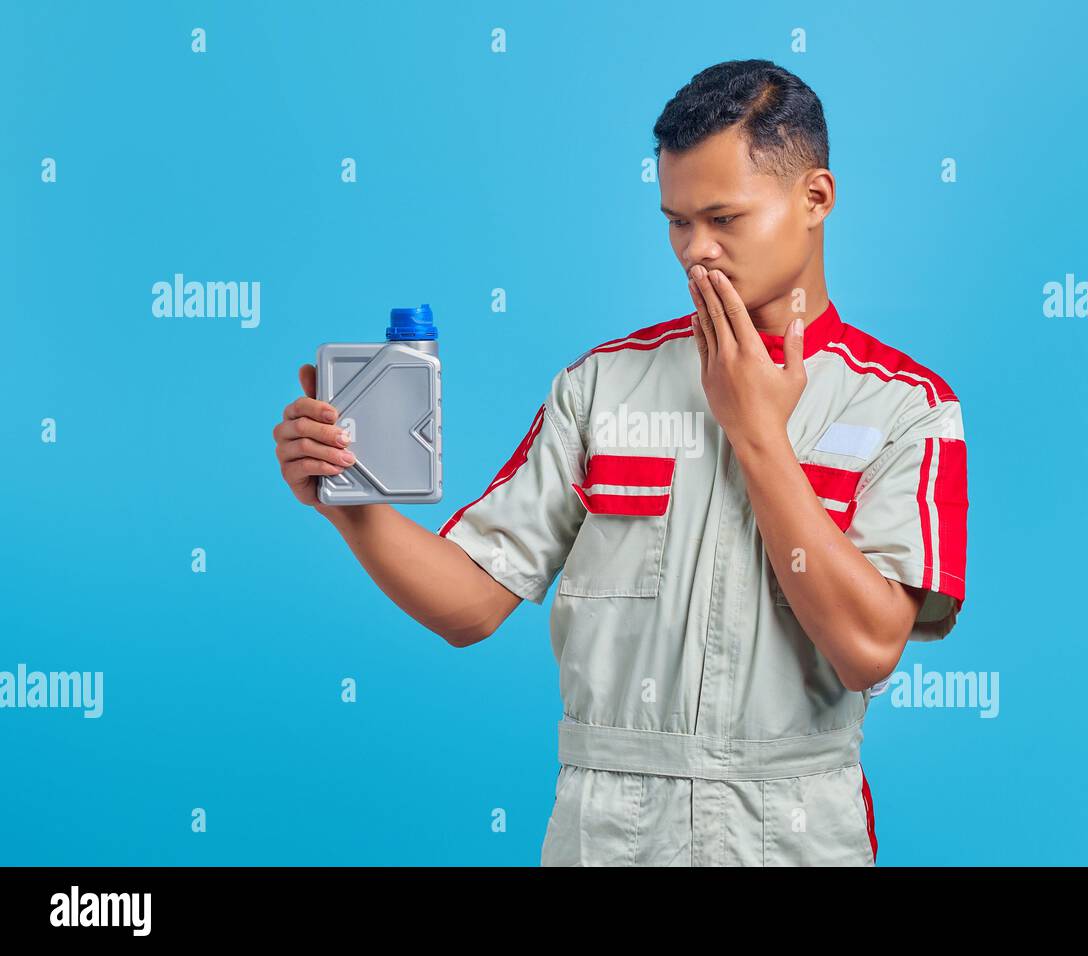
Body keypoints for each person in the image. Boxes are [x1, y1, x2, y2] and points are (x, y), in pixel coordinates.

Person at [272, 58, 968, 866]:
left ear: (816, 198)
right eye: (676, 222)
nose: (695, 252)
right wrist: (350, 506)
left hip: (792, 833)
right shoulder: (602, 386)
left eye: (724, 218)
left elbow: (867, 650)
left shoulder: (905, 405)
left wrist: (758, 435)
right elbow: (470, 605)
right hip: (608, 832)